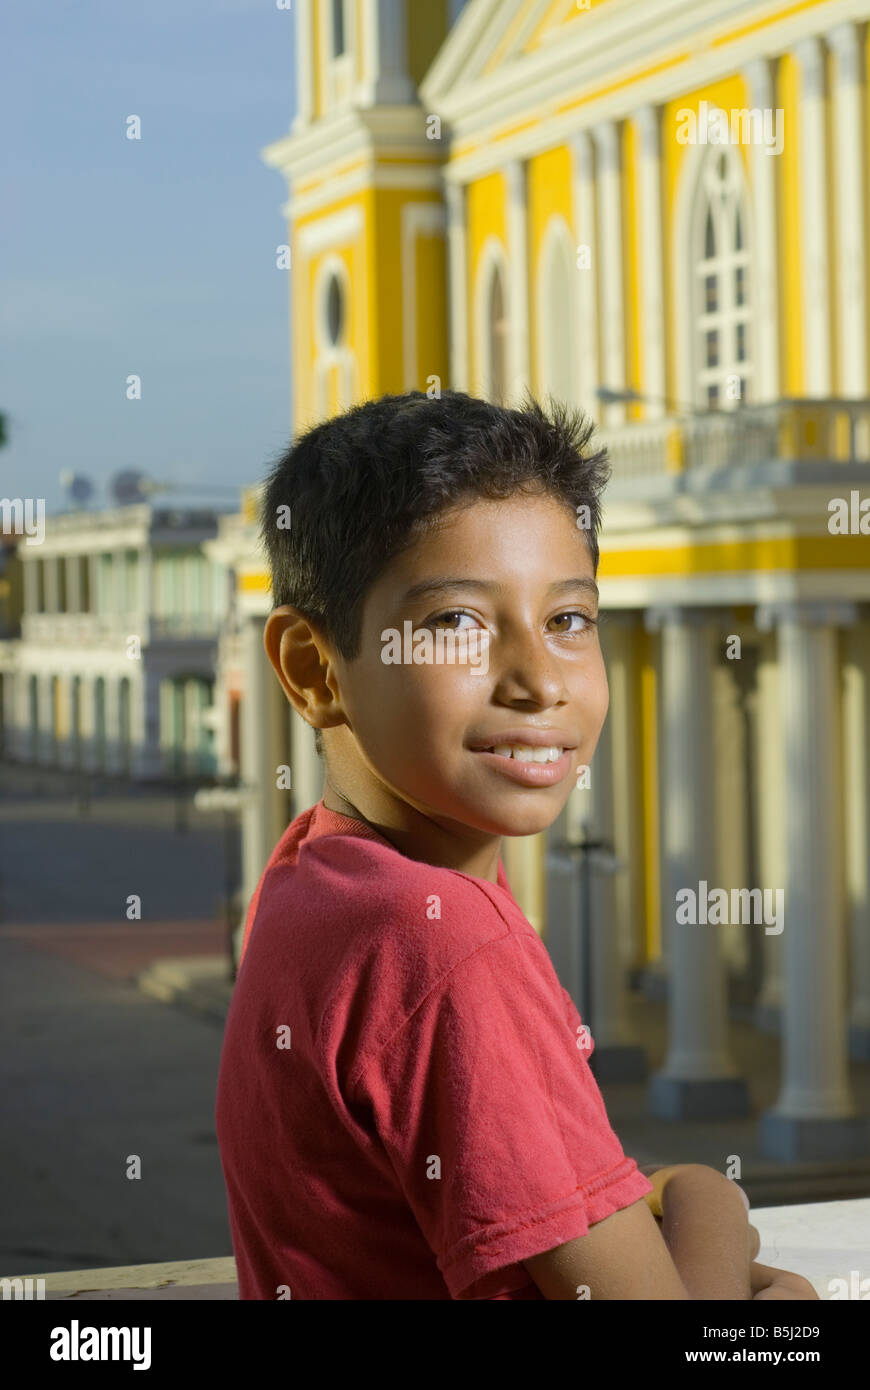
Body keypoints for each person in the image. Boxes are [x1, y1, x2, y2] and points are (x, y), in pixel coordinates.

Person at [215, 389, 817, 1301]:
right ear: (314, 669)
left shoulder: (313, 875)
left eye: (569, 620)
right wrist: (715, 1202)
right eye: (456, 622)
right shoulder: (445, 943)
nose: (539, 680)